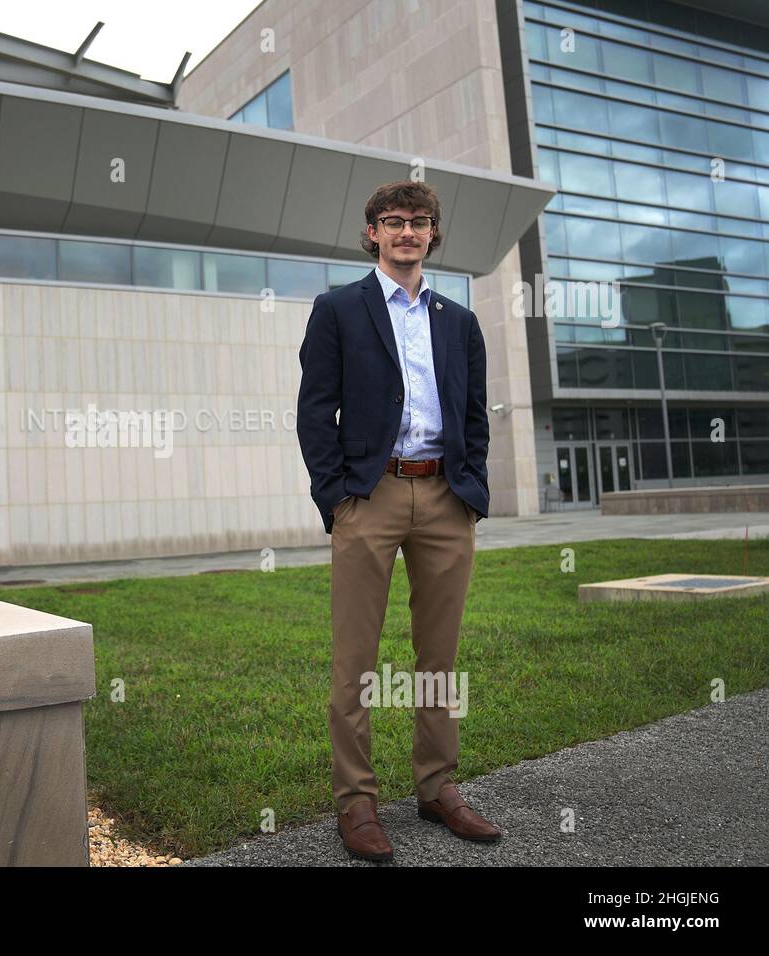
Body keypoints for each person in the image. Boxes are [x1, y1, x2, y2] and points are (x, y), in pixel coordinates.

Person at [296, 180, 501, 862]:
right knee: (356, 660)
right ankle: (356, 802)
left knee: (438, 657)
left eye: (418, 221)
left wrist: (471, 488)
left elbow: (473, 411)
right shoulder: (338, 310)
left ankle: (437, 786)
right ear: (374, 233)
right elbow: (314, 410)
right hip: (370, 495)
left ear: (432, 233)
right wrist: (337, 498)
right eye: (393, 221)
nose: (406, 231)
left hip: (444, 496)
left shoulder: (458, 319)